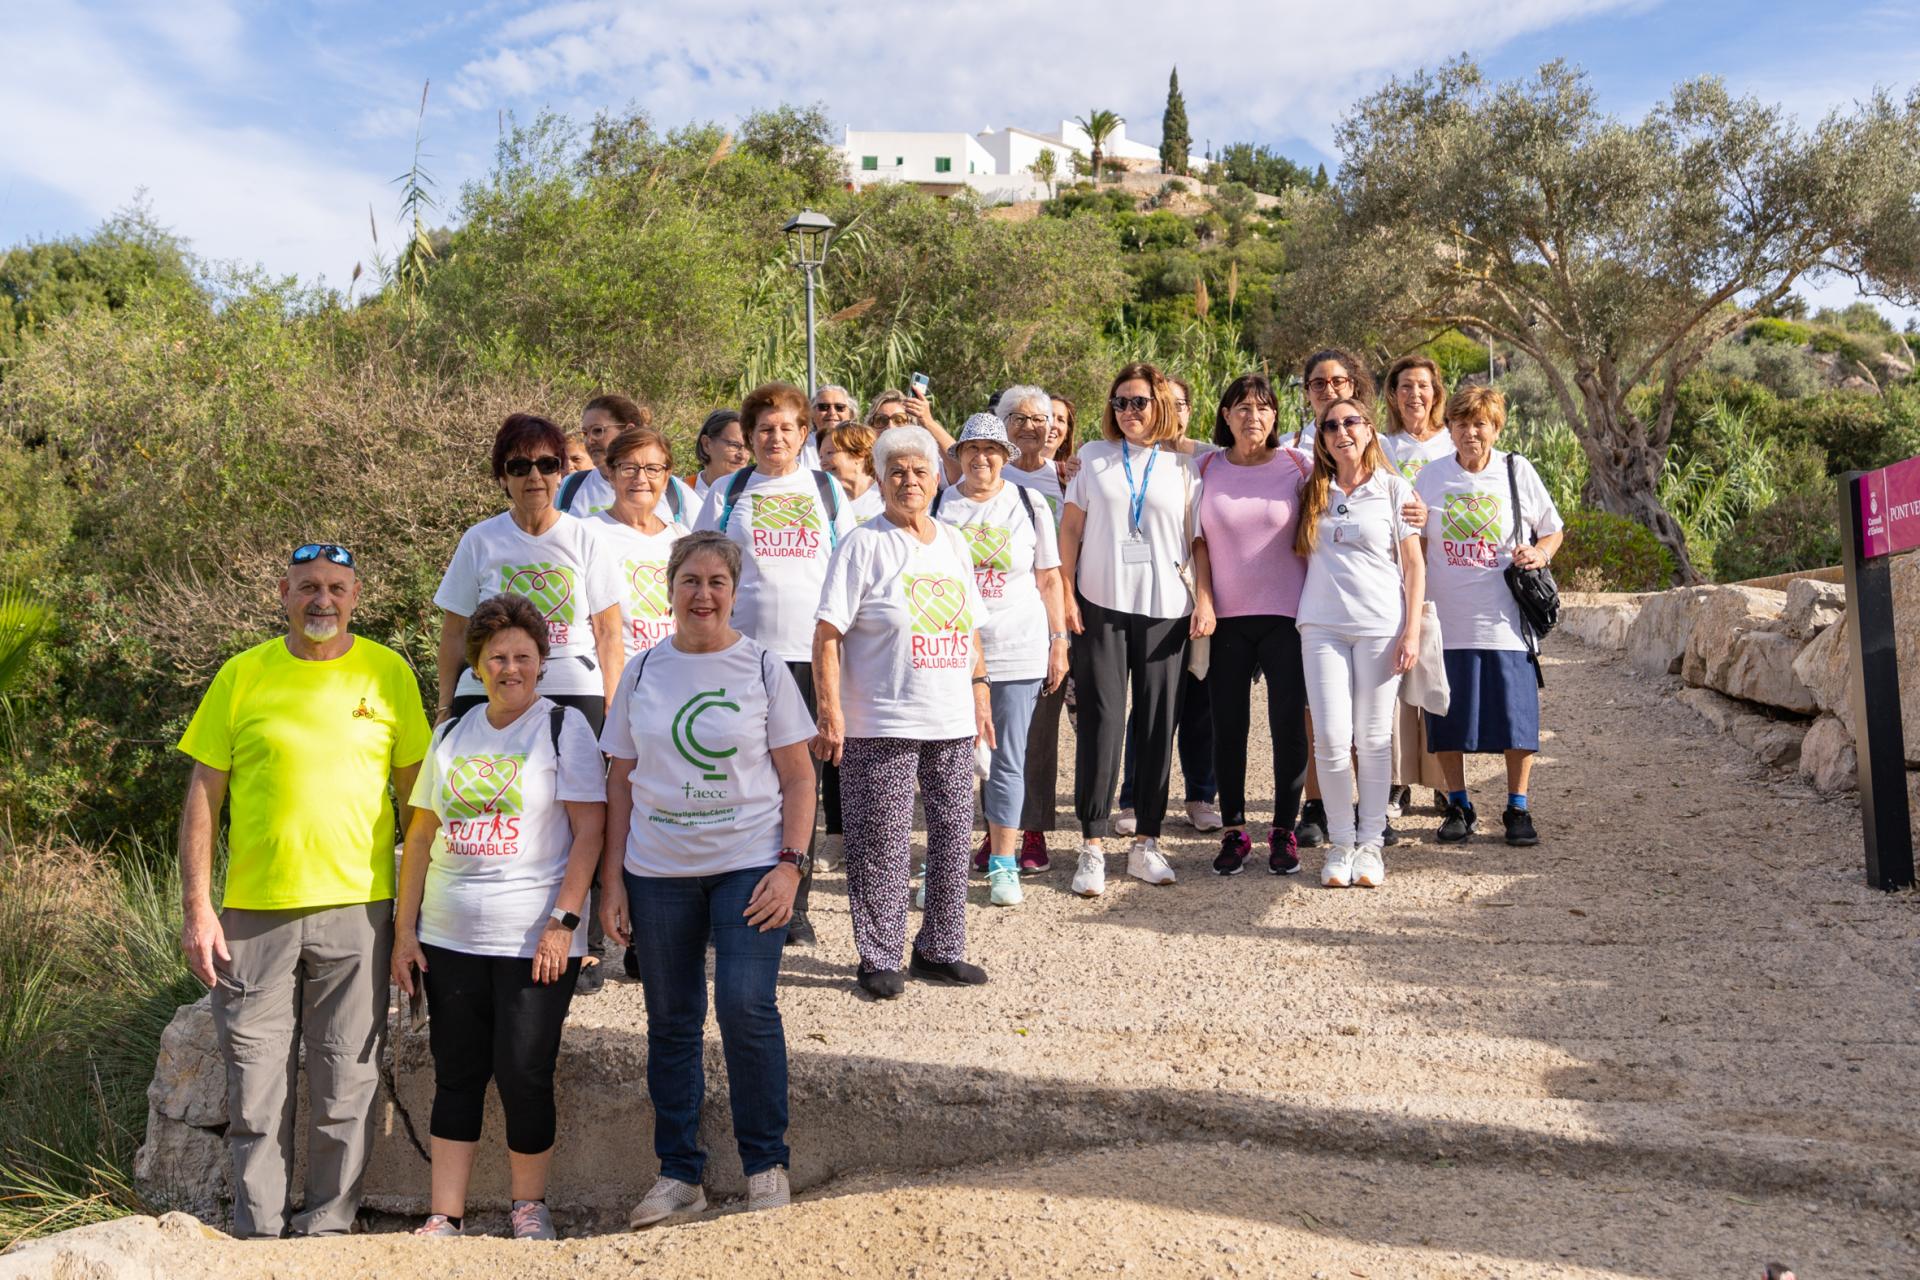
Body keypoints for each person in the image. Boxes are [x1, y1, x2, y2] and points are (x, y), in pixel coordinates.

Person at [176, 542, 430, 1239]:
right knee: (255, 1086)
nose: (323, 600)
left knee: (346, 1083)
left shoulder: (388, 673)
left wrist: (414, 919)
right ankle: (259, 1235)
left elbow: (422, 806)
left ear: (356, 596)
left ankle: (327, 1230)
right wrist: (199, 908)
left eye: (337, 588)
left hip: (361, 911)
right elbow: (203, 794)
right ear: (283, 592)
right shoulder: (241, 675)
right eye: (308, 586)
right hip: (253, 915)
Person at [598, 531, 815, 1226]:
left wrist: (791, 867)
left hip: (749, 863)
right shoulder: (640, 671)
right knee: (671, 1021)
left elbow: (799, 776)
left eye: (717, 582)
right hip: (658, 871)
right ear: (669, 587)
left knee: (746, 1007)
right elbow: (620, 783)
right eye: (690, 580)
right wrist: (612, 882)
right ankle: (680, 1175)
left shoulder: (762, 668)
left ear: (734, 590)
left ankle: (764, 1165)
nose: (703, 594)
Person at [392, 594, 605, 1241]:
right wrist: (405, 932)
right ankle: (444, 1215)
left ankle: (528, 1208)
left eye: (523, 656)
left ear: (542, 661)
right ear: (476, 667)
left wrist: (563, 922)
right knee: (457, 1074)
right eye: (495, 658)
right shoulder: (452, 734)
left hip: (533, 937)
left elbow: (589, 832)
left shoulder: (564, 728)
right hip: (450, 935)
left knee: (523, 1072)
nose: (510, 668)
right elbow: (422, 838)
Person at [434, 413, 623, 991]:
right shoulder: (480, 539)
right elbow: (454, 628)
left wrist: (615, 714)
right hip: (488, 688)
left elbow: (610, 631)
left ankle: (581, 941)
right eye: (520, 466)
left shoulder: (587, 535)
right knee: (493, 804)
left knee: (584, 812)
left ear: (562, 471)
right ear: (503, 476)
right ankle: (472, 924)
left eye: (546, 464)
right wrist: (445, 704)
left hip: (571, 683)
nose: (534, 476)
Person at [811, 426, 995, 998]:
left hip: (951, 718)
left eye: (919, 471)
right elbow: (826, 634)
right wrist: (829, 711)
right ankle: (880, 955)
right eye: (897, 471)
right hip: (881, 720)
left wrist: (981, 691)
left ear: (937, 477)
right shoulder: (862, 544)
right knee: (882, 842)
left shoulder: (953, 542)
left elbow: (969, 628)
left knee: (950, 837)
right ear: (882, 478)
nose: (909, 480)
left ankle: (939, 949)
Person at [694, 382, 858, 945]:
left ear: (803, 433)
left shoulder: (828, 490)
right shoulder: (727, 492)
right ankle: (733, 895)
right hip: (741, 658)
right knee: (737, 775)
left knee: (801, 781)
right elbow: (701, 573)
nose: (775, 438)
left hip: (811, 657)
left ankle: (797, 900)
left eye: (787, 427)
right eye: (764, 429)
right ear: (749, 436)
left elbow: (854, 571)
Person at [1058, 362, 1203, 896]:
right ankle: (1092, 845)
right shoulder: (1093, 457)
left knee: (1157, 724)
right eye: (1120, 402)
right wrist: (1067, 597)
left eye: (1139, 402)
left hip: (1167, 608)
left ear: (1159, 404)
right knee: (1101, 721)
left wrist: (1204, 600)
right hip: (1100, 605)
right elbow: (1070, 530)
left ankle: (1146, 841)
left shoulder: (1186, 469)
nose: (1129, 412)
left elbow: (1197, 543)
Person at [1413, 385, 1564, 846]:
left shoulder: (1517, 471)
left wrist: (1538, 554)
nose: (1470, 431)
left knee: (1517, 718)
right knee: (1447, 717)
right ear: (1450, 427)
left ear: (1495, 427)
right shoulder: (1430, 477)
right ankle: (1458, 803)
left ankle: (1518, 808)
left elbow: (1552, 530)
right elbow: (1414, 541)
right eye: (1461, 422)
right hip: (1447, 619)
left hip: (1504, 620)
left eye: (1480, 423)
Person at [935, 413, 1067, 905]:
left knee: (1009, 760)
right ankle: (944, 864)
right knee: (948, 762)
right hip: (950, 652)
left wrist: (1059, 642)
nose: (981, 459)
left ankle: (1003, 863)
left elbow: (1049, 578)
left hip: (1017, 647)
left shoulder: (1028, 503)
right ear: (960, 455)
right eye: (972, 449)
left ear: (1005, 458)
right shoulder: (938, 505)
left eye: (992, 450)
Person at [1295, 398, 1424, 889]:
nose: (1340, 431)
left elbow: (1414, 565)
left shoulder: (1396, 490)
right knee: (1329, 739)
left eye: (1351, 421)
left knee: (1372, 740)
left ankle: (1370, 843)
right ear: (1321, 438)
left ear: (1370, 430)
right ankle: (1340, 844)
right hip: (1321, 626)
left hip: (1380, 627)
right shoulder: (1309, 490)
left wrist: (1411, 630)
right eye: (1329, 425)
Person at [1188, 373, 1314, 876]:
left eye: (1263, 408)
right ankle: (1235, 829)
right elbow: (1197, 542)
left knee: (1287, 726)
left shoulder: (1298, 465)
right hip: (1226, 618)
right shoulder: (1206, 468)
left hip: (1289, 615)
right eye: (1242, 408)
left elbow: (1360, 473)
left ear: (1276, 416)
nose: (1253, 417)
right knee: (1228, 726)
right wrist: (1203, 600)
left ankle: (1284, 828)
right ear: (1225, 416)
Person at [1115, 373, 1219, 836]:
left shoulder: (1208, 458)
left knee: (1200, 699)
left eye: (1180, 405)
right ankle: (1133, 796)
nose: (1172, 412)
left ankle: (1201, 795)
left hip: (1202, 591)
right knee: (1150, 704)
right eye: (1164, 403)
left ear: (1188, 411)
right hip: (1149, 593)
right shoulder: (1129, 455)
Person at [1295, 347, 1379, 850]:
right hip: (1314, 601)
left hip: (1371, 609)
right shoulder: (1290, 446)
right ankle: (1318, 802)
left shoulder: (1374, 443)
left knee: (1371, 721)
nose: (1330, 390)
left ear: (1355, 385)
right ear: (1307, 393)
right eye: (1319, 384)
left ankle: (1374, 808)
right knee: (1319, 714)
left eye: (1338, 381)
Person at [997, 386, 1071, 871]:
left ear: (1054, 428)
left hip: (1054, 615)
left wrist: (1061, 630)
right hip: (994, 627)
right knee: (993, 733)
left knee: (1040, 734)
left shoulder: (1067, 477)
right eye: (1018, 419)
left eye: (1038, 419)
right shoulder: (987, 476)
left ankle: (1035, 832)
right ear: (1003, 426)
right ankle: (995, 832)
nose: (1029, 427)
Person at [1380, 355, 1456, 812]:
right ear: (1392, 395)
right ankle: (1396, 780)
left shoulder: (1452, 445)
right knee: (1395, 672)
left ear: (1436, 392)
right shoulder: (1382, 447)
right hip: (1394, 573)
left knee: (1436, 673)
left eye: (1423, 386)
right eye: (1405, 386)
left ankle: (1447, 782)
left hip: (1444, 573)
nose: (1414, 395)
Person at [593, 425, 692, 660]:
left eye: (652, 469)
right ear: (611, 473)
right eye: (629, 468)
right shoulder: (588, 533)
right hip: (618, 677)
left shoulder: (681, 538)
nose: (641, 479)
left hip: (672, 673)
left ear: (666, 476)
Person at [559, 394, 696, 521]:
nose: (589, 440)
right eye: (585, 433)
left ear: (628, 430)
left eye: (598, 431)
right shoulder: (571, 486)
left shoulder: (673, 491)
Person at [820, 420, 883, 521]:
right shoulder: (824, 502)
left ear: (859, 455)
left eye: (829, 453)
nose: (822, 462)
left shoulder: (886, 496)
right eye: (821, 456)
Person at [691, 409, 750, 502]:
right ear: (706, 444)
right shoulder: (678, 495)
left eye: (748, 447)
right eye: (734, 445)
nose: (743, 456)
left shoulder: (754, 498)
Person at [803, 383, 859, 470]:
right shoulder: (800, 446)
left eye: (839, 407)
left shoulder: (862, 445)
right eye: (824, 407)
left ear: (851, 414)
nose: (832, 412)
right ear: (812, 413)